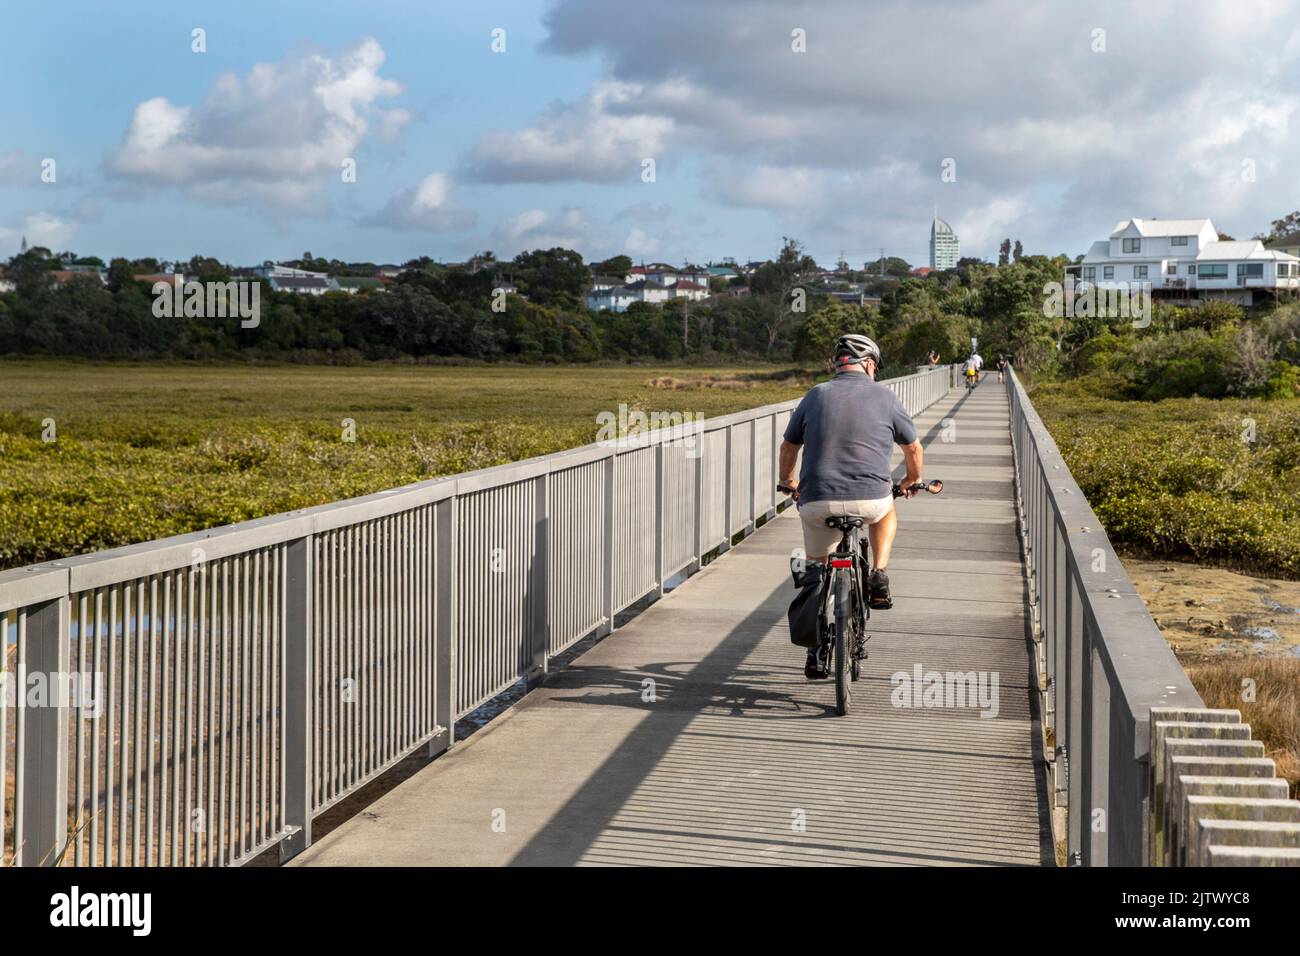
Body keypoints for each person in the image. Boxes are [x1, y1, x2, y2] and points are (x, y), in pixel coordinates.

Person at [778, 334, 925, 679]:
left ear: (838, 364)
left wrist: (788, 482)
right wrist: (911, 480)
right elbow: (913, 449)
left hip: (817, 499)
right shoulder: (886, 397)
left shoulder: (816, 395)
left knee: (817, 568)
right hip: (871, 498)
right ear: (869, 364)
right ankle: (879, 573)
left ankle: (815, 650)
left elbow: (788, 447)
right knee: (886, 510)